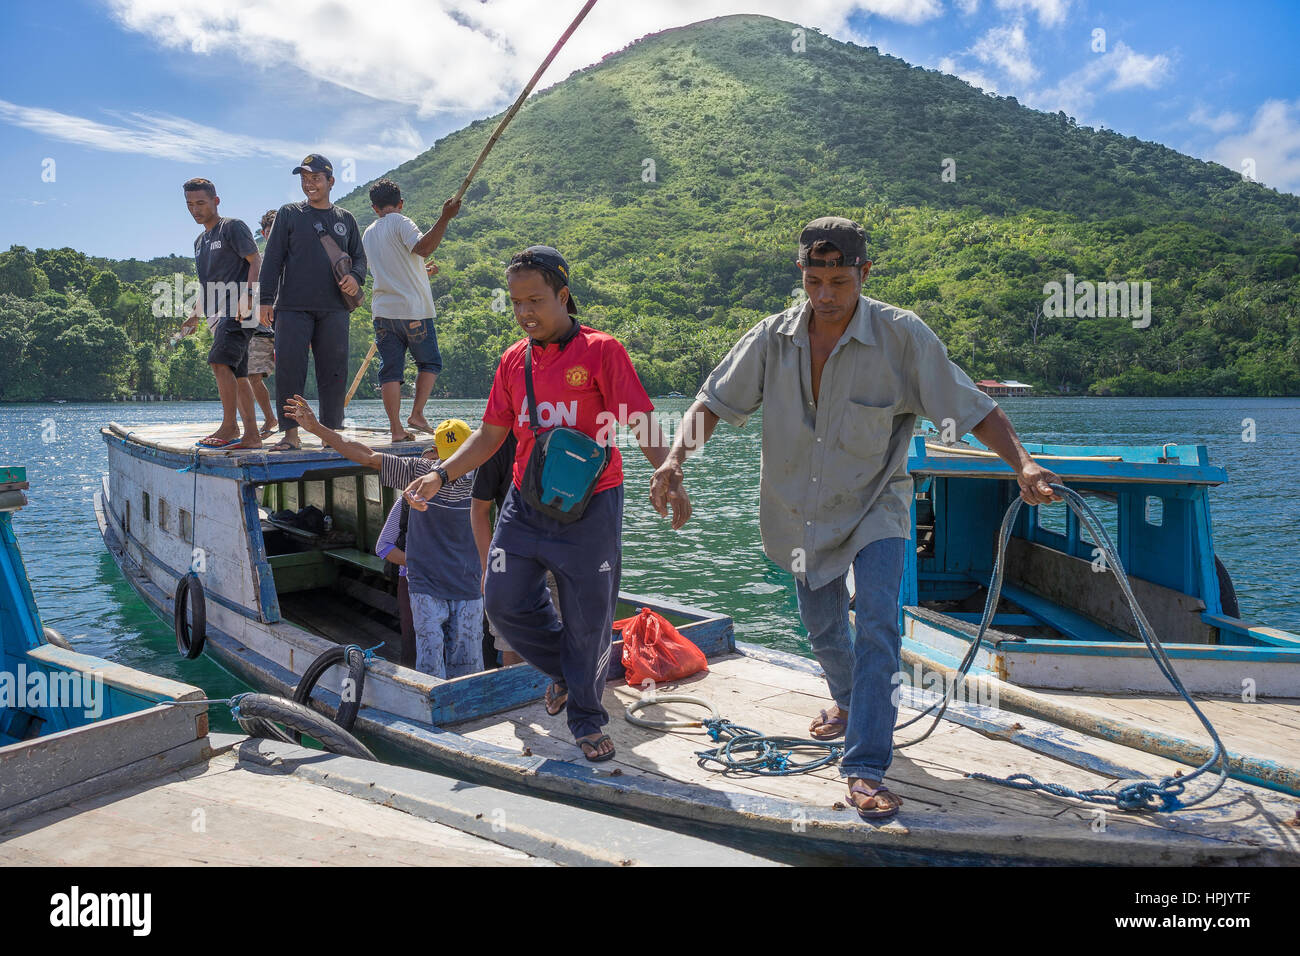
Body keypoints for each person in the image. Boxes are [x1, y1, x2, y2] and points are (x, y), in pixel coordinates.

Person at [649, 217, 1064, 820]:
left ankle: (866, 765)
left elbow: (971, 408)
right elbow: (712, 402)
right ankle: (847, 701)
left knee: (877, 625)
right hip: (798, 513)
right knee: (822, 630)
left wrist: (1022, 463)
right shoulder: (770, 338)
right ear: (801, 274)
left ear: (865, 275)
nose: (825, 295)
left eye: (839, 280)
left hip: (878, 504)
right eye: (813, 280)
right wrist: (673, 462)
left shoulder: (902, 337)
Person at [402, 246, 687, 762]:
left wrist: (668, 473)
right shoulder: (514, 360)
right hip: (526, 503)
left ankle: (585, 718)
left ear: (563, 295)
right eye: (516, 303)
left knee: (589, 617)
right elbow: (491, 434)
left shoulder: (603, 352)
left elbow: (641, 420)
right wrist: (440, 475)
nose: (525, 312)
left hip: (592, 505)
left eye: (535, 299)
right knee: (503, 603)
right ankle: (567, 672)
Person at [286, 397, 483, 678]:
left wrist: (318, 429)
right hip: (433, 585)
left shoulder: (463, 475)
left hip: (462, 585)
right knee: (444, 664)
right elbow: (365, 455)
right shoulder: (426, 472)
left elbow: (365, 455)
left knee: (455, 665)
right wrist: (317, 429)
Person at [259, 154, 367, 451]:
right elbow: (272, 260)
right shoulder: (289, 213)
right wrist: (266, 300)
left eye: (316, 178)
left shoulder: (346, 219)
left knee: (333, 370)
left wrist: (357, 277)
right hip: (292, 307)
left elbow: (359, 258)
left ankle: (331, 435)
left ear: (330, 181)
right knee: (290, 370)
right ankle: (291, 435)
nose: (309, 184)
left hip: (334, 308)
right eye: (304, 179)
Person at [362, 178, 462, 442]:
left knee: (390, 370)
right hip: (413, 311)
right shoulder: (401, 221)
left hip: (383, 312)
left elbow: (394, 269)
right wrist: (445, 218)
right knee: (429, 362)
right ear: (400, 203)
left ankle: (396, 430)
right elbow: (424, 247)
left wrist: (423, 271)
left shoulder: (369, 233)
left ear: (374, 208)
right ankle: (417, 413)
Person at [469, 430, 564, 682]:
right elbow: (479, 510)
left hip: (562, 553)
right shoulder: (497, 444)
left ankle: (563, 693)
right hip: (514, 555)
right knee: (511, 639)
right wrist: (487, 566)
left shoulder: (562, 435)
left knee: (566, 633)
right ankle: (515, 697)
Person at [180, 178, 265, 450]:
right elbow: (208, 287)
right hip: (220, 312)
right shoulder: (199, 242)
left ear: (216, 201)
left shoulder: (232, 227)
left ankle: (230, 426)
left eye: (201, 203)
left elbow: (256, 261)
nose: (195, 209)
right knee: (238, 372)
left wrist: (249, 297)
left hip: (241, 310)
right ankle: (252, 435)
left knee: (219, 362)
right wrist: (194, 315)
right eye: (190, 204)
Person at [246, 208, 280, 437]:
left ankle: (295, 426)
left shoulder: (297, 257)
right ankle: (270, 419)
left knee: (291, 376)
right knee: (253, 376)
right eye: (271, 231)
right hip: (260, 329)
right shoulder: (259, 261)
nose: (275, 234)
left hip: (289, 325)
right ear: (264, 233)